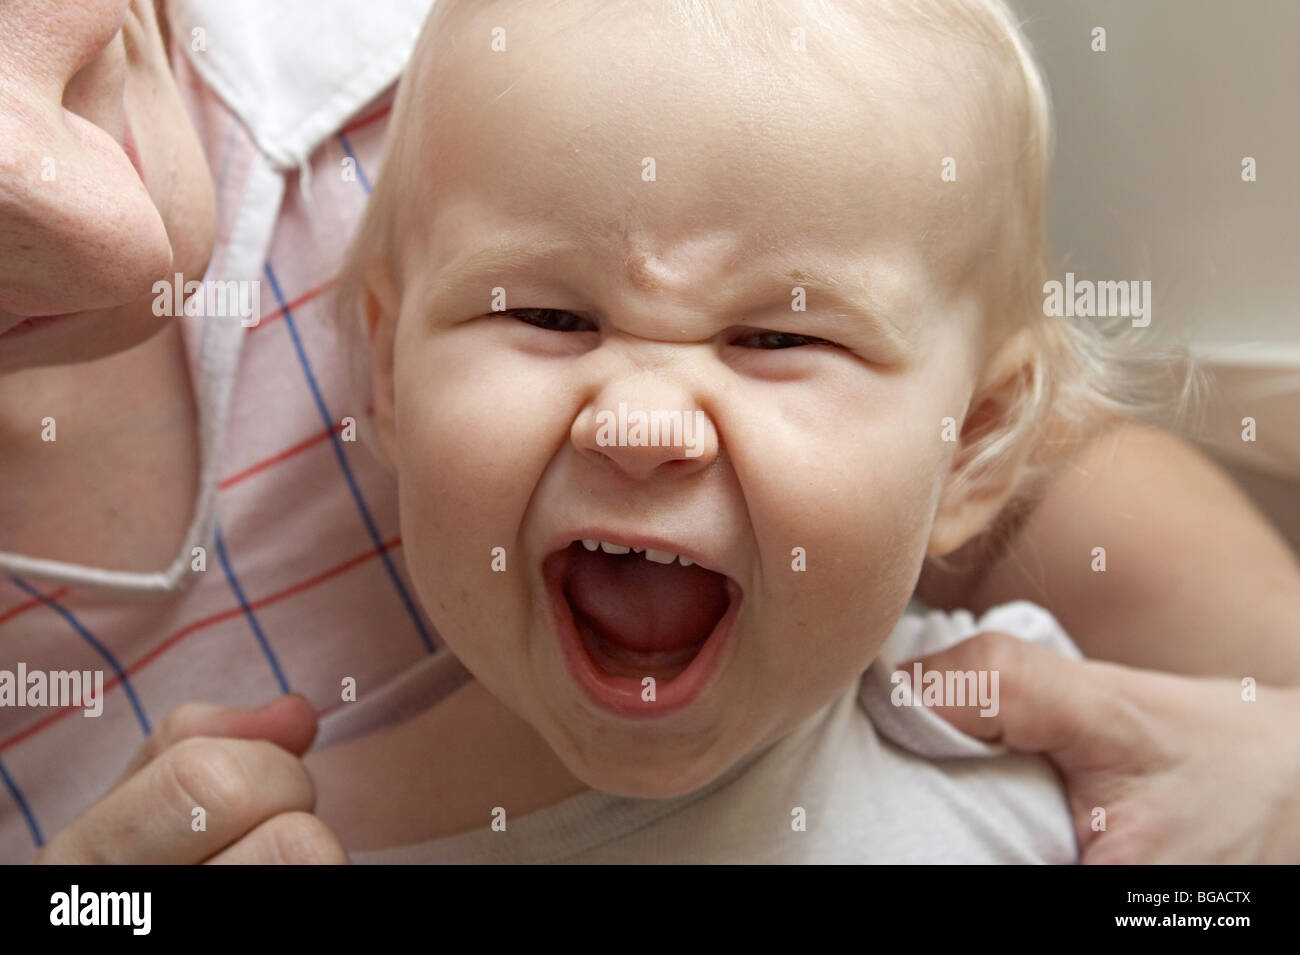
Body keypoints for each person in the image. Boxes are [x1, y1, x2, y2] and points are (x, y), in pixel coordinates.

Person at [4, 0, 1297, 863]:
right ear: (385, 381)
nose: (640, 421)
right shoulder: (292, 839)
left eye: (780, 338)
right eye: (551, 316)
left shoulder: (1052, 743)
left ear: (974, 446)